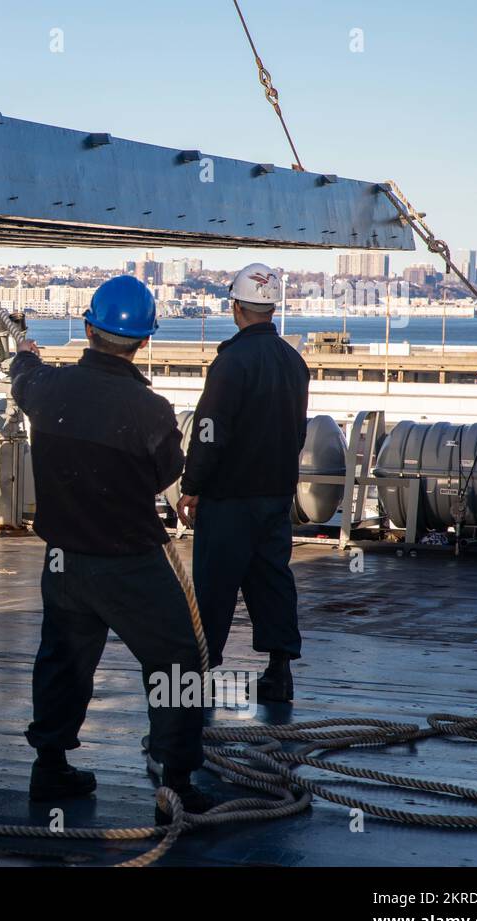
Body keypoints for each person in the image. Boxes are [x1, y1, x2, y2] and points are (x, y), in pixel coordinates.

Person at [12, 275, 212, 823]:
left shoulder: (44, 388)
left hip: (64, 562)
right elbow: (167, 474)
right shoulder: (150, 411)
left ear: (87, 328)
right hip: (129, 561)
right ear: (144, 341)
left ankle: (49, 766)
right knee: (177, 661)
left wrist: (24, 354)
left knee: (65, 661)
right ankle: (175, 781)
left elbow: (22, 377)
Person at [175, 263, 310, 702]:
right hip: (275, 495)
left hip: (228, 497)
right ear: (271, 309)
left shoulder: (230, 362)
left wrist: (191, 484)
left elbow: (209, 431)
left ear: (236, 308)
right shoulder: (294, 362)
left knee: (215, 585)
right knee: (272, 579)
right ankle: (279, 672)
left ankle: (199, 678)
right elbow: (299, 429)